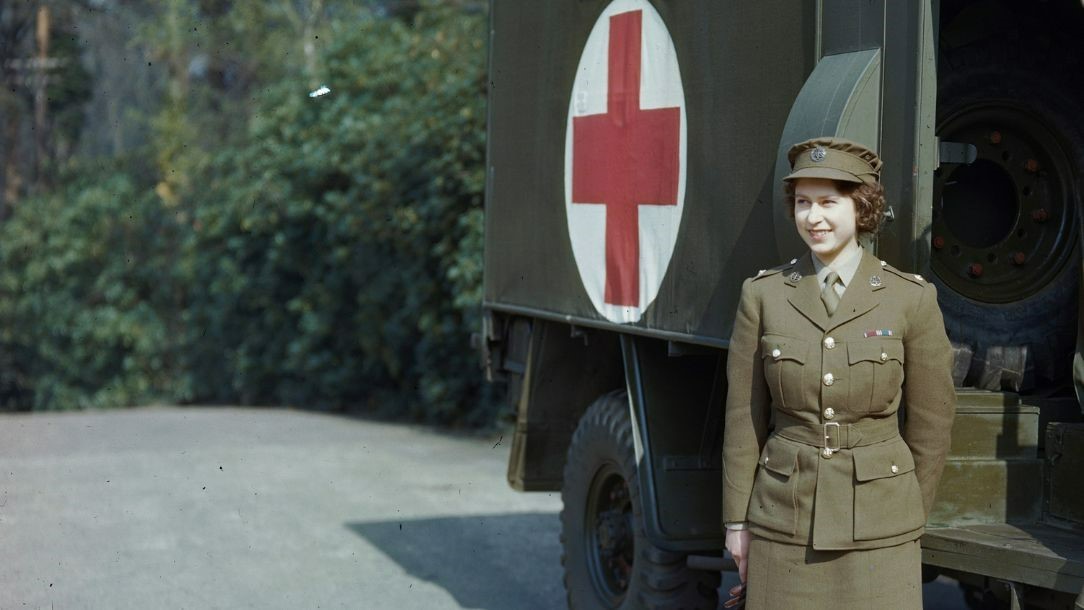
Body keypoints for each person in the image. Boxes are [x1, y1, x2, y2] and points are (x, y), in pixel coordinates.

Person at [721, 137, 956, 609]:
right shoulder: (764, 296)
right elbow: (744, 417)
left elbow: (933, 423)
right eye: (803, 203)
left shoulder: (909, 298)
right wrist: (737, 524)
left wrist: (905, 509)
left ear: (862, 207)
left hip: (881, 528)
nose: (814, 217)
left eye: (829, 202)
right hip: (783, 522)